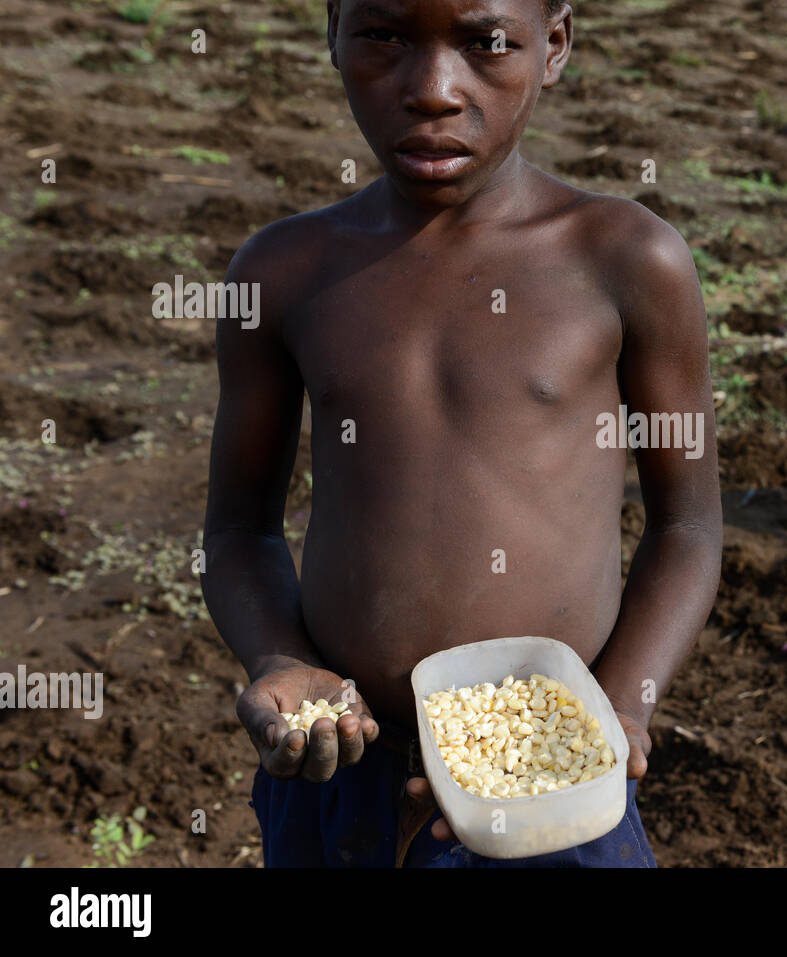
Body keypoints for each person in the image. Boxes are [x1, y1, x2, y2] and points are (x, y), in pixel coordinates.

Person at [201, 0, 722, 867]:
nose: (434, 90)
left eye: (487, 43)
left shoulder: (626, 260)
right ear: (332, 32)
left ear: (553, 44)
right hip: (342, 763)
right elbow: (238, 530)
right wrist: (279, 658)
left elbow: (689, 525)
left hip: (551, 772)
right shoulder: (285, 270)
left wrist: (621, 705)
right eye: (384, 37)